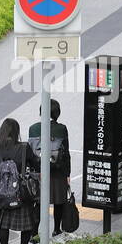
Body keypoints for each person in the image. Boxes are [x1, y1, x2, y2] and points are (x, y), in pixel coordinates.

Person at [0, 118, 41, 244]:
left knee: (3, 224)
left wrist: (4, 186)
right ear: (16, 131)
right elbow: (37, 166)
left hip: (4, 195)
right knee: (27, 224)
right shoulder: (24, 148)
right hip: (21, 193)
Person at [28, 98, 72, 236]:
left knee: (40, 203)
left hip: (39, 172)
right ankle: (56, 229)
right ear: (57, 113)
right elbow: (66, 153)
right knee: (59, 201)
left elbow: (30, 152)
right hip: (58, 172)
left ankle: (35, 233)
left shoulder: (33, 128)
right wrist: (67, 174)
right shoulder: (61, 128)